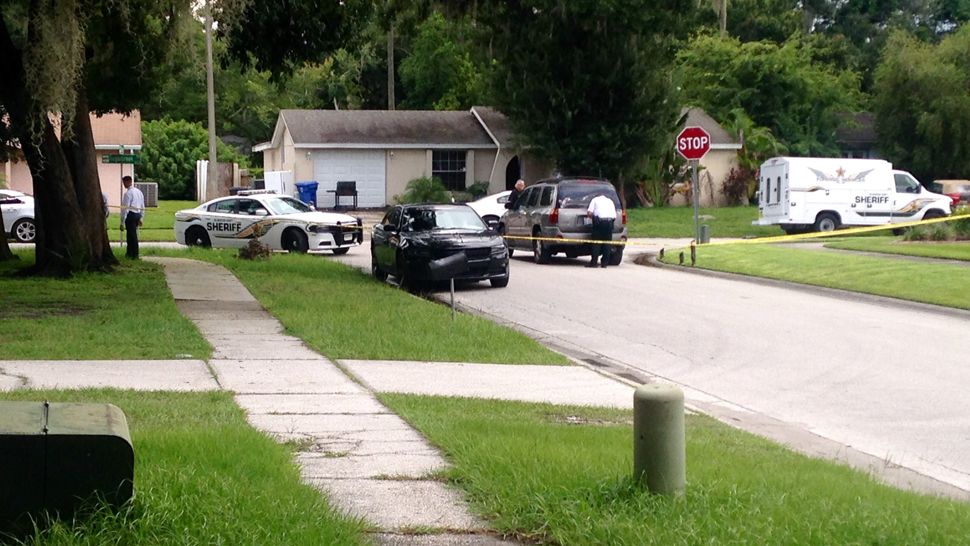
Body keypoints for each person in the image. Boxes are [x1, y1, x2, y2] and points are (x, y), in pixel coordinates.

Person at [586, 192, 617, 268]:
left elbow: (589, 213)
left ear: (597, 196)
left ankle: (593, 263)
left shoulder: (595, 200)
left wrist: (592, 217)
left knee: (596, 243)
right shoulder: (610, 201)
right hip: (610, 223)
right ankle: (604, 264)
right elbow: (614, 215)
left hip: (599, 223)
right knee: (607, 244)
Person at [120, 176, 144, 259]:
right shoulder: (139, 192)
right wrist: (141, 217)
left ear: (127, 182)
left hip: (131, 215)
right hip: (137, 214)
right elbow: (142, 206)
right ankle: (130, 253)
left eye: (124, 182)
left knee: (131, 236)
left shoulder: (128, 194)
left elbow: (125, 208)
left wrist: (122, 222)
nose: (123, 184)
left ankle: (133, 254)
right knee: (133, 234)